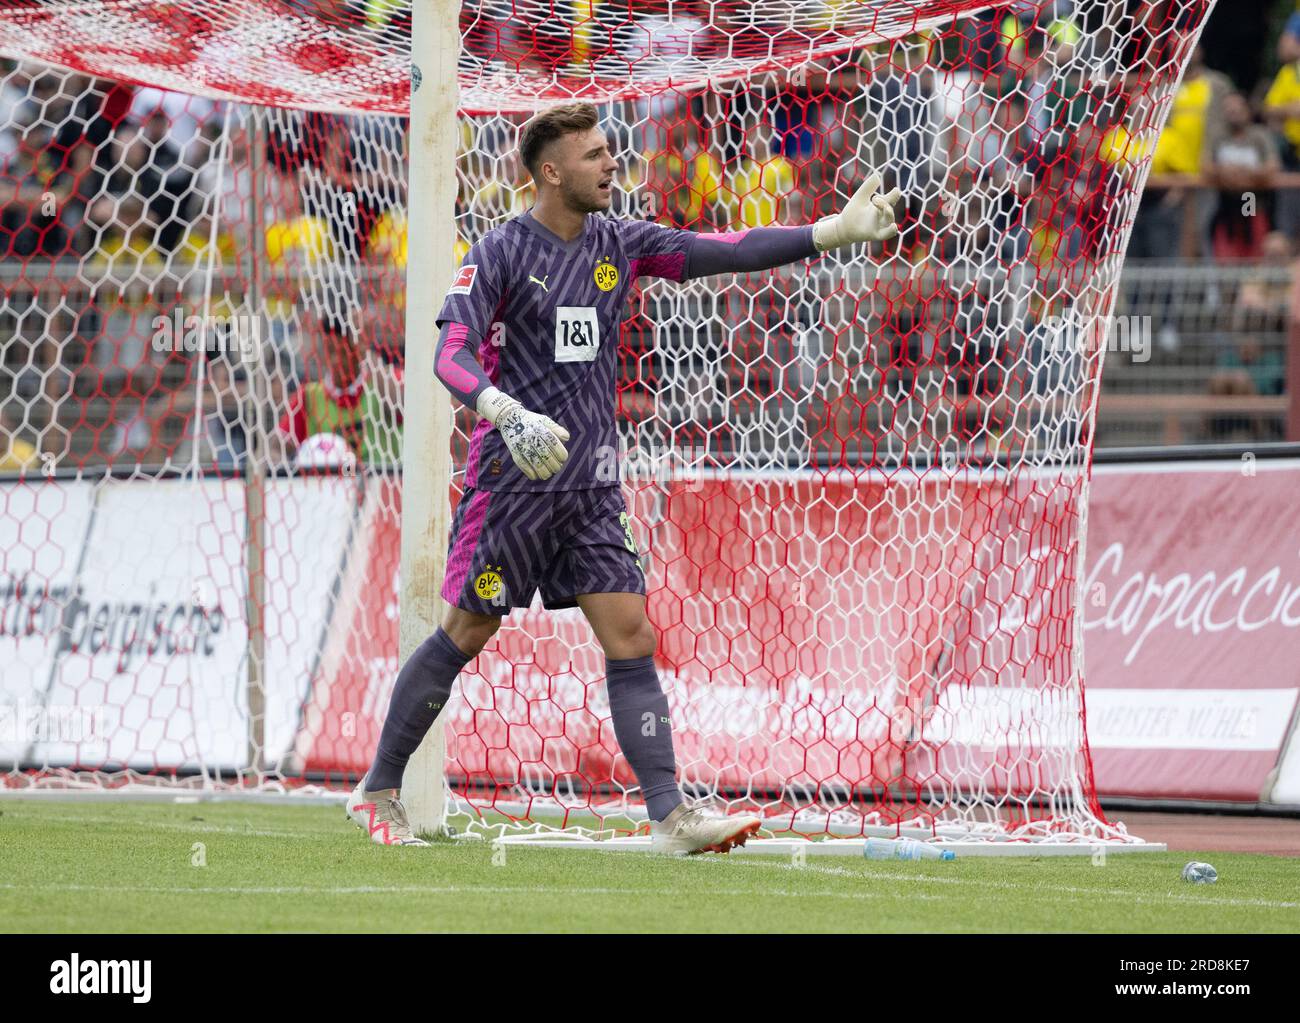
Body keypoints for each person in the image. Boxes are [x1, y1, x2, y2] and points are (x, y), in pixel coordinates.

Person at [347, 101, 902, 852]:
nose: (613, 164)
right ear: (550, 171)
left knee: (631, 634)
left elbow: (728, 248)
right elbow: (450, 353)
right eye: (595, 154)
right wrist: (502, 409)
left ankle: (670, 815)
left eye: (612, 151)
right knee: (467, 630)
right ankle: (379, 788)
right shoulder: (503, 250)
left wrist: (828, 232)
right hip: (512, 484)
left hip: (591, 488)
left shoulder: (619, 241)